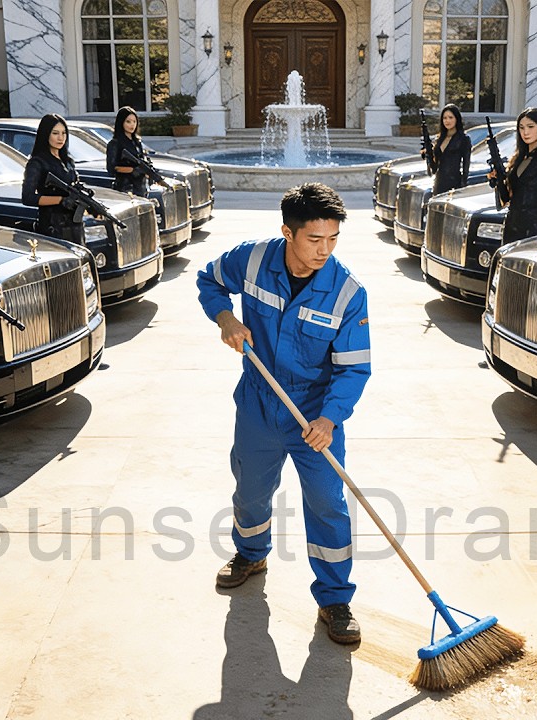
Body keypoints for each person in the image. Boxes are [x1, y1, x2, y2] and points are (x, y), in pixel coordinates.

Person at [197, 183, 371, 645]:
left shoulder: (347, 292)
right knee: (250, 489)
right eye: (314, 239)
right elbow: (209, 279)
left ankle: (335, 598)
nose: (324, 250)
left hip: (314, 413)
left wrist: (329, 419)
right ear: (287, 233)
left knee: (327, 503)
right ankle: (251, 553)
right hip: (258, 400)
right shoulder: (253, 260)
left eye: (333, 239)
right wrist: (225, 318)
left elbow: (354, 368)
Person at [486, 107, 537, 243]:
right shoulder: (519, 158)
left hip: (534, 227)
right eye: (521, 128)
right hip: (511, 226)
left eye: (530, 126)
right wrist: (497, 180)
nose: (525, 132)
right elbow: (506, 199)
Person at [22, 113, 86, 244]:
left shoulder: (68, 161)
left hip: (74, 226)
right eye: (55, 133)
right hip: (52, 226)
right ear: (46, 134)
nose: (60, 138)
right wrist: (60, 200)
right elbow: (28, 197)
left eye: (64, 133)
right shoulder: (37, 163)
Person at [422, 103, 471, 194]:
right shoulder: (439, 139)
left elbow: (466, 166)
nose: (447, 121)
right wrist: (428, 153)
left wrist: (463, 186)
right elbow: (434, 168)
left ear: (457, 119)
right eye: (444, 118)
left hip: (454, 184)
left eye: (450, 117)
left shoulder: (463, 139)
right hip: (439, 184)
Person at [107, 106, 151, 197]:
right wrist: (133, 170)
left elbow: (143, 160)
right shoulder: (115, 143)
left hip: (141, 189)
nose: (132, 125)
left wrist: (147, 170)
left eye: (134, 121)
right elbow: (111, 168)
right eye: (128, 121)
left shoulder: (137, 142)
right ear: (121, 122)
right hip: (125, 189)